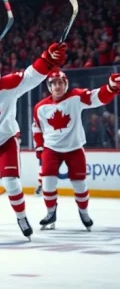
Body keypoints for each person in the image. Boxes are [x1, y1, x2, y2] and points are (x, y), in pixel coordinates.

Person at [0, 45, 67, 238]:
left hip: (6, 143)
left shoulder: (8, 86)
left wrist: (47, 59)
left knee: (12, 183)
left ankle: (21, 217)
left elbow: (32, 76)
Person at [32, 70, 120, 230]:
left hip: (74, 148)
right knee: (48, 183)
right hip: (51, 149)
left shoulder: (75, 97)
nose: (57, 86)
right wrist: (40, 150)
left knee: (80, 184)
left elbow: (96, 97)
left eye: (60, 83)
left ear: (66, 84)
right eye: (54, 83)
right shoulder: (40, 107)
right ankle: (50, 213)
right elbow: (37, 129)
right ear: (49, 86)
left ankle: (84, 212)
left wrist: (111, 87)